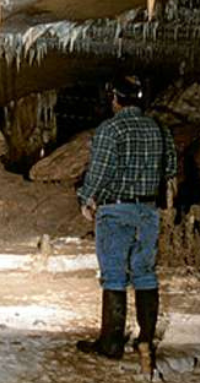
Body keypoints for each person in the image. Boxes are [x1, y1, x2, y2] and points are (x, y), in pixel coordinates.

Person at [76, 75, 177, 359]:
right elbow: (170, 168)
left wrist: (86, 198)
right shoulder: (159, 129)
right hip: (147, 210)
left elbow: (100, 171)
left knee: (114, 275)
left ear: (115, 99)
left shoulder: (111, 129)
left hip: (116, 210)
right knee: (145, 272)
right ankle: (145, 339)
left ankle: (111, 343)